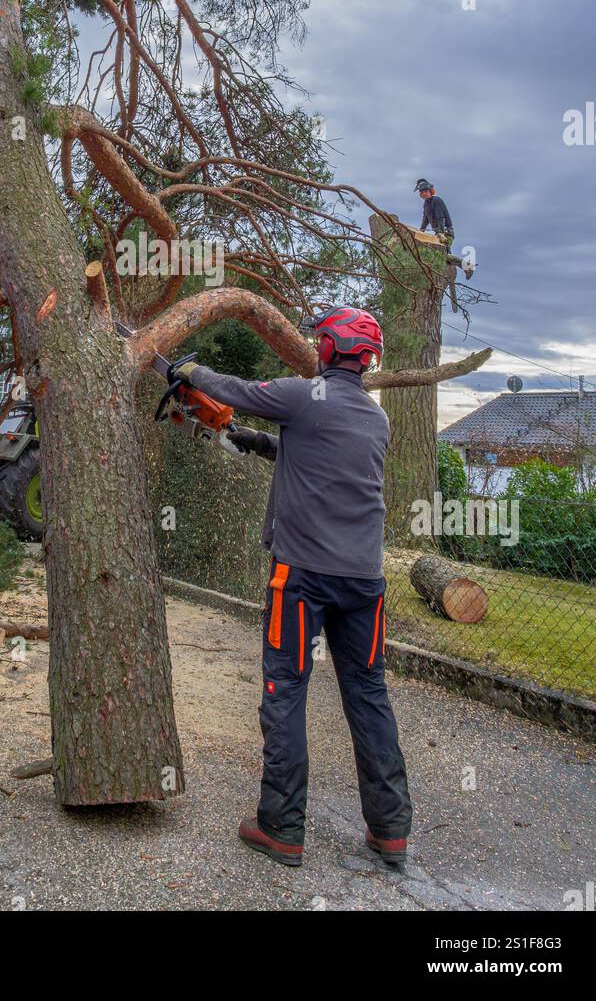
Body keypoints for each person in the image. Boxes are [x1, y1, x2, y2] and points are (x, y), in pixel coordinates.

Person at [168, 307, 412, 868]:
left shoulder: (304, 395)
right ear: (367, 357)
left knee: (285, 691)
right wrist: (250, 440)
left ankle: (280, 827)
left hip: (301, 577)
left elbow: (240, 389)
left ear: (327, 348)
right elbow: (317, 458)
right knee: (369, 695)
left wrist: (189, 371)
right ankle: (391, 829)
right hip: (365, 583)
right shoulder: (376, 420)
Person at [414, 177, 454, 247]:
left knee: (442, 250)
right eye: (422, 192)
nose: (424, 194)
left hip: (446, 234)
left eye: (426, 191)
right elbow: (425, 219)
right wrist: (421, 230)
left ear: (430, 191)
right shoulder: (426, 204)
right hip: (438, 233)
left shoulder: (436, 200)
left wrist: (441, 232)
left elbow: (440, 217)